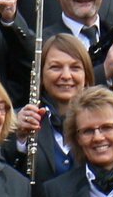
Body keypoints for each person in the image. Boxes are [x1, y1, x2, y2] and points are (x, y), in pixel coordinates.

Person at [13, 33, 95, 180]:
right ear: (41, 76)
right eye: (55, 67)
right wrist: (20, 141)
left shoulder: (102, 123)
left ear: (86, 76)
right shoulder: (20, 122)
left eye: (75, 68)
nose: (66, 75)